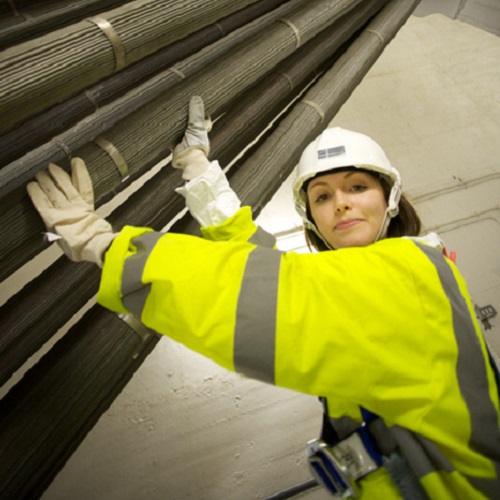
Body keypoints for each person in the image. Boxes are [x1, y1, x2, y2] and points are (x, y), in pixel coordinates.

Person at [27, 97, 500, 499]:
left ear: (390, 200)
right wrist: (196, 168)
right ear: (312, 219)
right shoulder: (383, 279)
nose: (341, 203)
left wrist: (105, 246)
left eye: (358, 187)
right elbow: (266, 265)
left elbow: (270, 299)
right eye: (322, 196)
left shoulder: (411, 268)